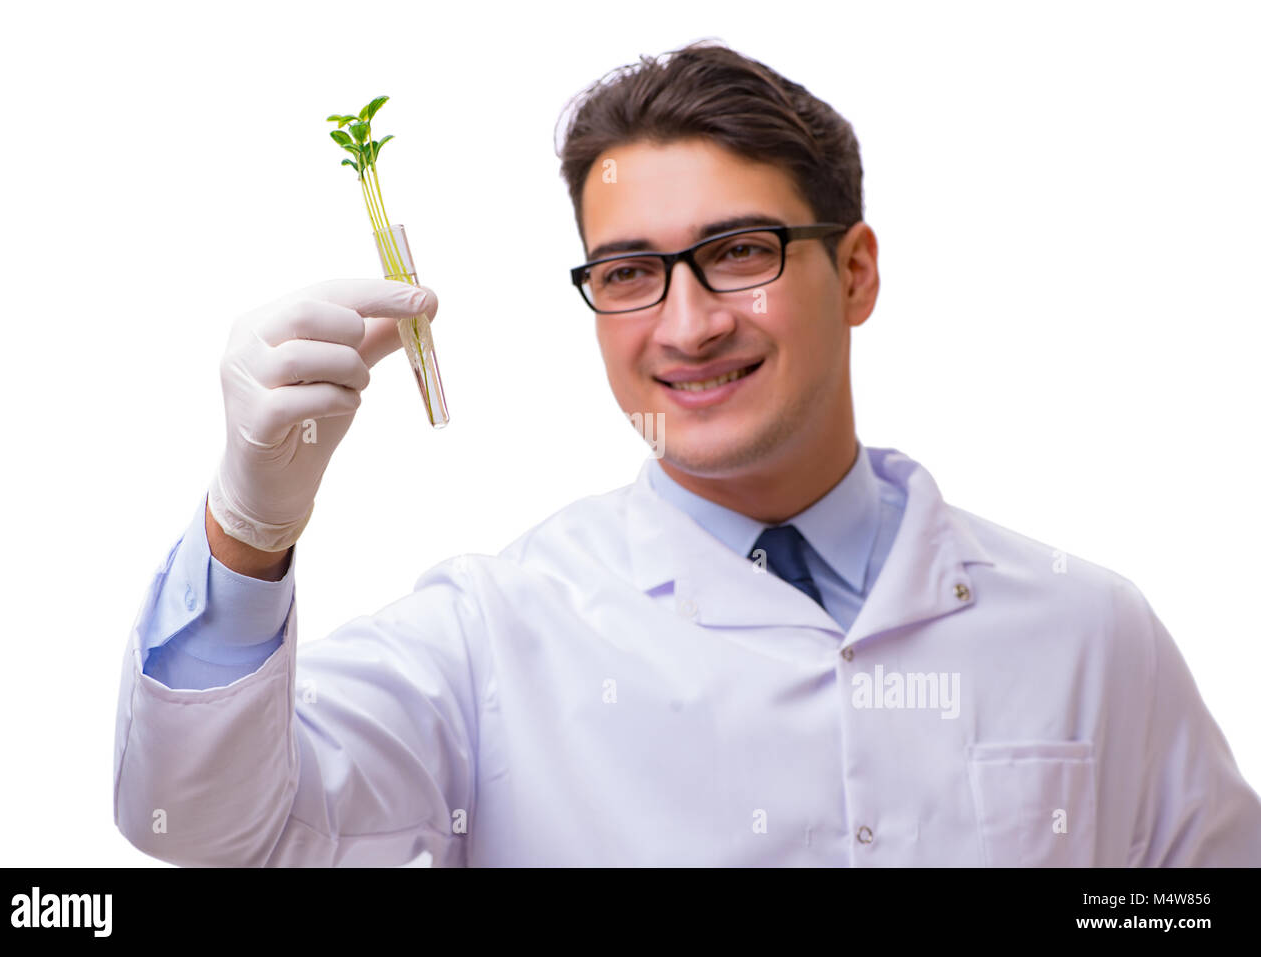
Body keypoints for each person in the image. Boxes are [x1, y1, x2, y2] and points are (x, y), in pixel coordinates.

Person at [113, 40, 1261, 867]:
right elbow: (206, 827)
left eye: (738, 251)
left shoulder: (1086, 630)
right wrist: (248, 533)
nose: (687, 323)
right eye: (626, 274)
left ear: (853, 271)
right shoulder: (489, 637)